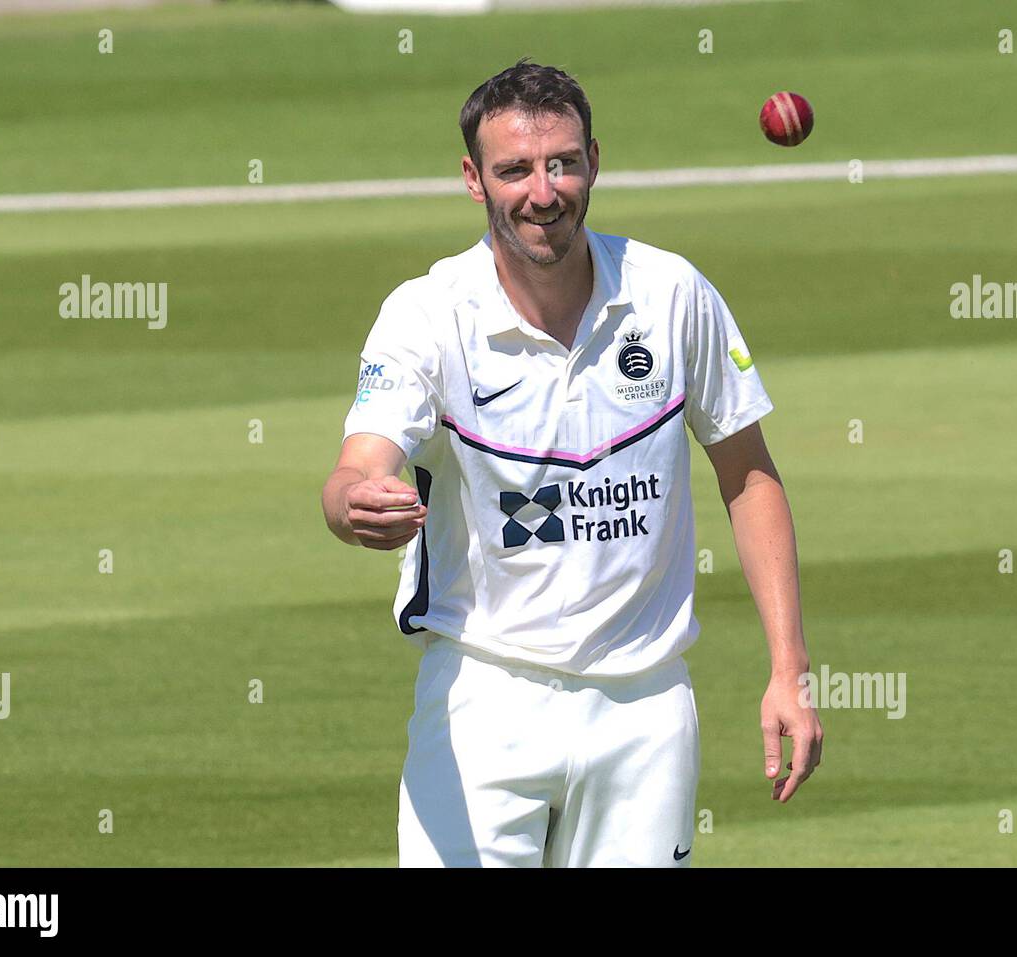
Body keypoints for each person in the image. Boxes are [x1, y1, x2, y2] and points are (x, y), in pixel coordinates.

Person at [321, 59, 822, 867]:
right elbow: (357, 465)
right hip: (483, 697)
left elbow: (749, 474)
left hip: (645, 705)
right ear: (474, 180)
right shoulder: (427, 313)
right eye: (514, 169)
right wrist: (354, 505)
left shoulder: (671, 294)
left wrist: (789, 668)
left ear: (595, 162)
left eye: (562, 163)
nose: (542, 192)